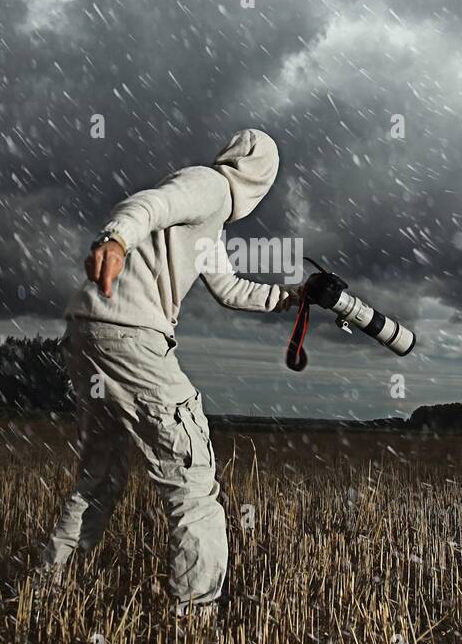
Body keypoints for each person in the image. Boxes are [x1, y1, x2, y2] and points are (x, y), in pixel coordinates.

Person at [41, 128, 297, 615]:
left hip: (91, 331)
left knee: (100, 478)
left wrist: (291, 297)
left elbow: (230, 289)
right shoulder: (210, 187)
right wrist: (114, 240)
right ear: (260, 178)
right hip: (132, 335)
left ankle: (47, 591)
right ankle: (195, 619)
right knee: (193, 480)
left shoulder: (210, 219)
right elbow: (149, 204)